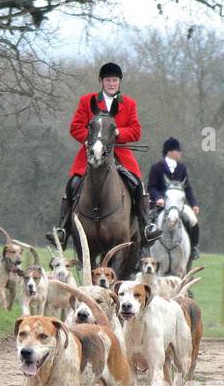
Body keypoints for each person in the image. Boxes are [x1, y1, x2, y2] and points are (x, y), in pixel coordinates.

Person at [51, 62, 161, 248]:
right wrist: (91, 140)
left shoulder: (129, 104)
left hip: (120, 154)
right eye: (108, 80)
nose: (111, 83)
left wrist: (117, 133)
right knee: (72, 184)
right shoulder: (88, 101)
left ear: (119, 82)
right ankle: (63, 229)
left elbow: (135, 131)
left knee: (138, 185)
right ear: (101, 81)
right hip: (92, 152)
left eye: (115, 80)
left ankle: (146, 226)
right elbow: (75, 127)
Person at [146, 137, 200, 257]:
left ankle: (193, 247)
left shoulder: (182, 168)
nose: (180, 153)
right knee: (147, 223)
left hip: (177, 205)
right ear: (170, 151)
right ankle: (144, 249)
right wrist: (158, 198)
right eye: (178, 150)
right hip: (160, 205)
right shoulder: (156, 167)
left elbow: (187, 188)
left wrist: (194, 204)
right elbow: (151, 187)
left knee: (192, 220)